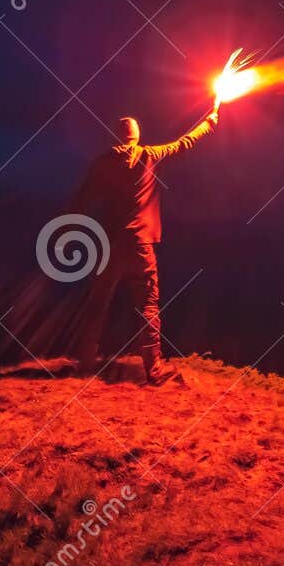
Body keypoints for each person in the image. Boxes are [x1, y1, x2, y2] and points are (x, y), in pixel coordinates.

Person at [70, 108, 219, 385]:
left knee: (97, 304)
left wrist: (63, 229)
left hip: (110, 245)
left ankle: (85, 364)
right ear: (136, 137)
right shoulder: (151, 154)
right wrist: (209, 123)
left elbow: (81, 199)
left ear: (117, 135)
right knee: (148, 306)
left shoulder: (101, 163)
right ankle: (154, 372)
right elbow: (185, 142)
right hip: (141, 244)